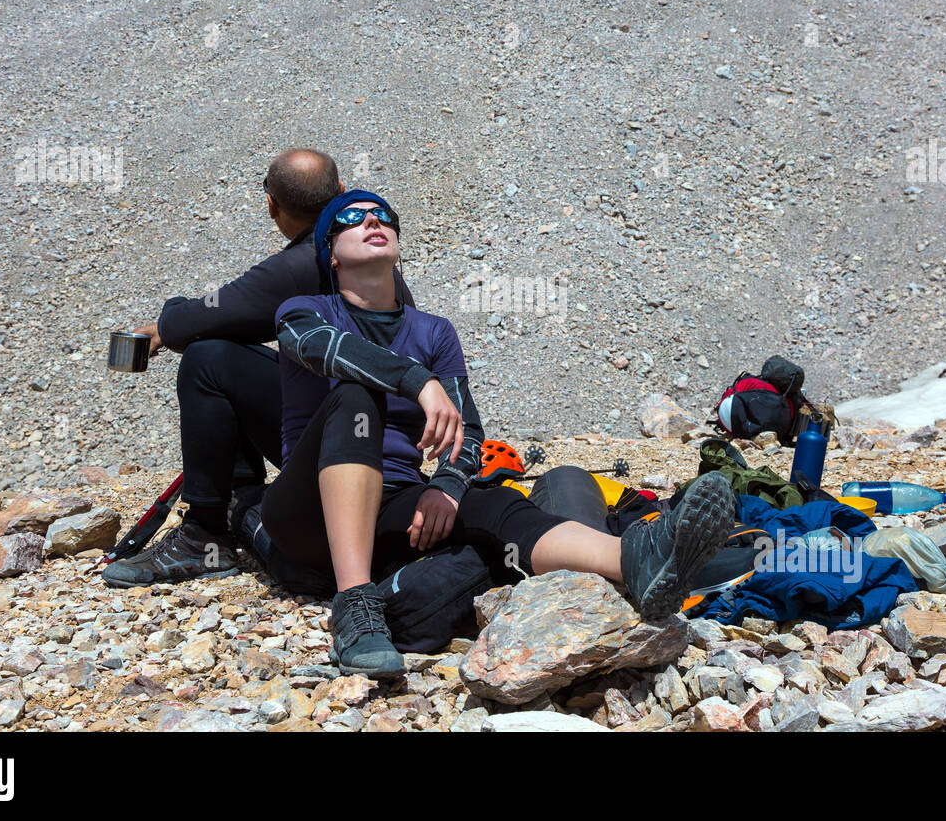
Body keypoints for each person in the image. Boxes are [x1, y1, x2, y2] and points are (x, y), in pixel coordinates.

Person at [260, 190, 739, 677]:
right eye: (352, 218)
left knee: (494, 503)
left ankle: (637, 558)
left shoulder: (434, 331)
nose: (372, 220)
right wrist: (417, 380)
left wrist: (446, 488)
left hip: (391, 506)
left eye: (383, 215)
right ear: (331, 253)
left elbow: (468, 433)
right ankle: (355, 608)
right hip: (305, 513)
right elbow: (319, 348)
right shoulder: (304, 311)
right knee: (356, 396)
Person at [101, 150, 414, 588]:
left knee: (208, 358)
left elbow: (203, 319)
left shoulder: (305, 261)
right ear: (341, 194)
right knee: (230, 352)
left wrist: (167, 320)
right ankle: (241, 498)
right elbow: (233, 313)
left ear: (272, 205)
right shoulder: (368, 252)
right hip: (384, 441)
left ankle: (205, 535)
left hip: (343, 445)